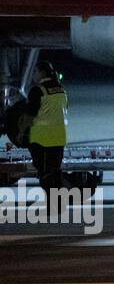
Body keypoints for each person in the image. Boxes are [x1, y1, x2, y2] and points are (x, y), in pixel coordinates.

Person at [25, 60, 68, 195]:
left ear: (42, 73)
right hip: (59, 138)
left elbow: (30, 115)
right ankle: (58, 204)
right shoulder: (61, 89)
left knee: (45, 175)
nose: (33, 76)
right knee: (55, 172)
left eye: (35, 72)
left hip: (41, 139)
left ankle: (53, 206)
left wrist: (21, 132)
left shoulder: (38, 90)